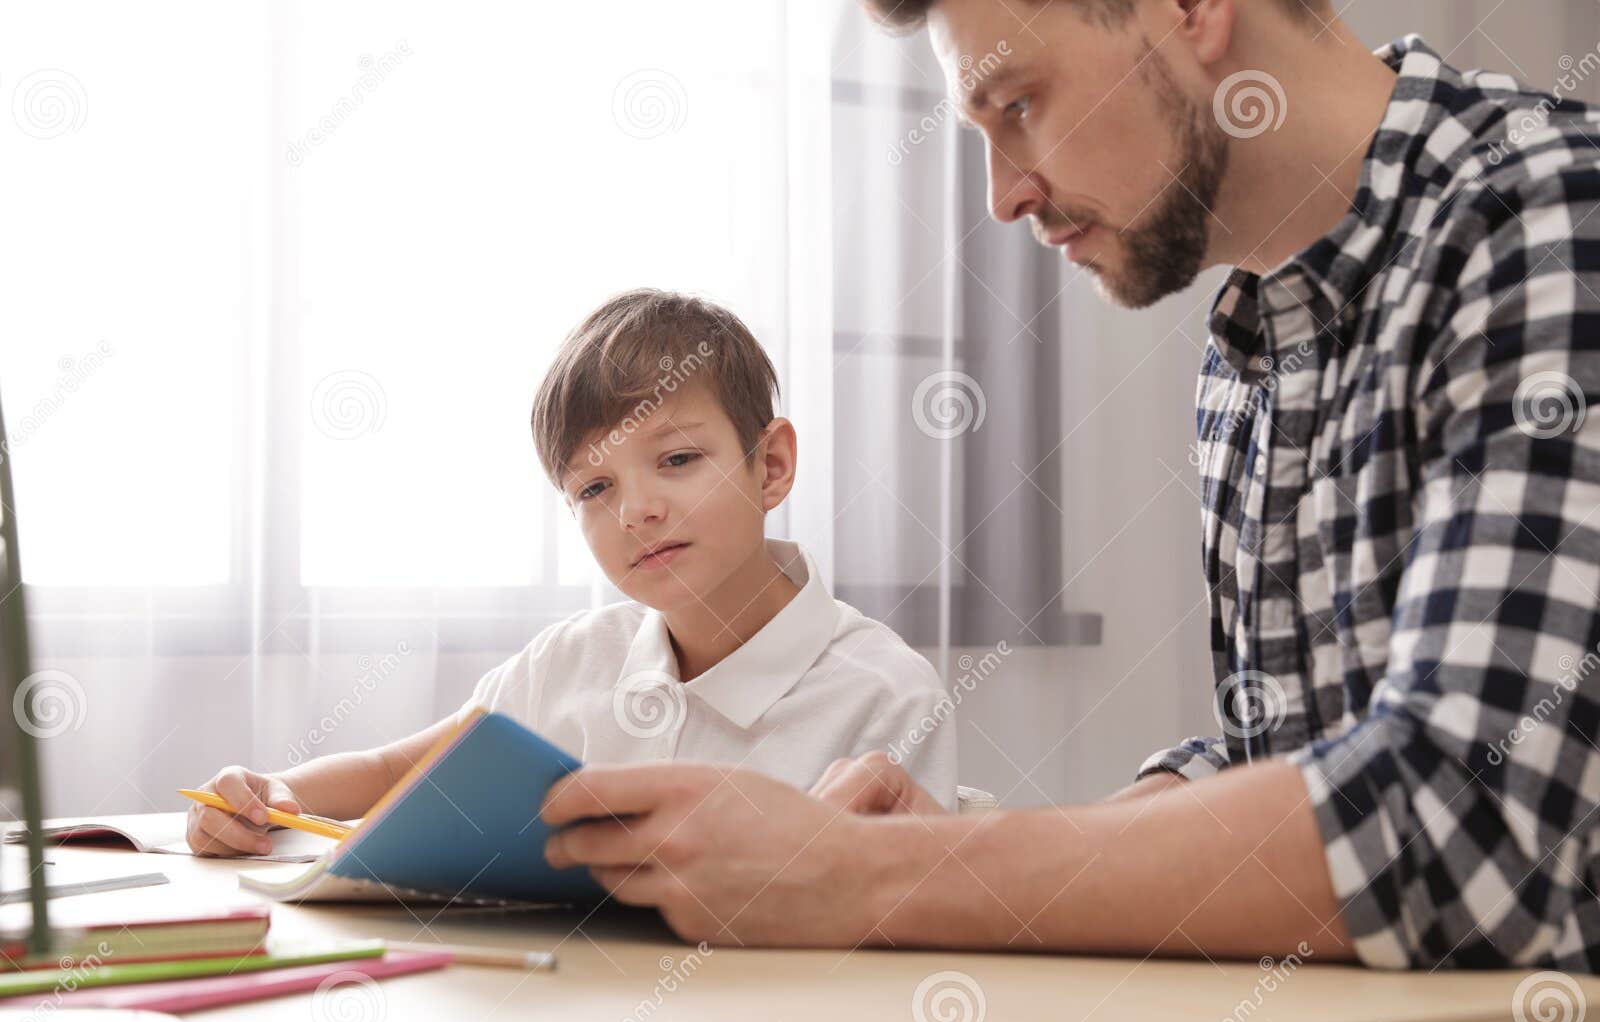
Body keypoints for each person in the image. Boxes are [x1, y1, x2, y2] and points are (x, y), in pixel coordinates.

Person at [541, 0, 1600, 972]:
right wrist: (948, 847)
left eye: (1018, 106)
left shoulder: (1546, 215)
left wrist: (868, 877)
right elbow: (1290, 754)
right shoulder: (1248, 342)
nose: (1005, 196)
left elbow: (1459, 828)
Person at [186, 289, 958, 857]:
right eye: (594, 488)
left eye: (678, 459)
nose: (636, 511)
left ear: (773, 465)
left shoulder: (885, 695)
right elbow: (405, 766)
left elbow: (907, 915)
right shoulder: (572, 658)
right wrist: (274, 795)